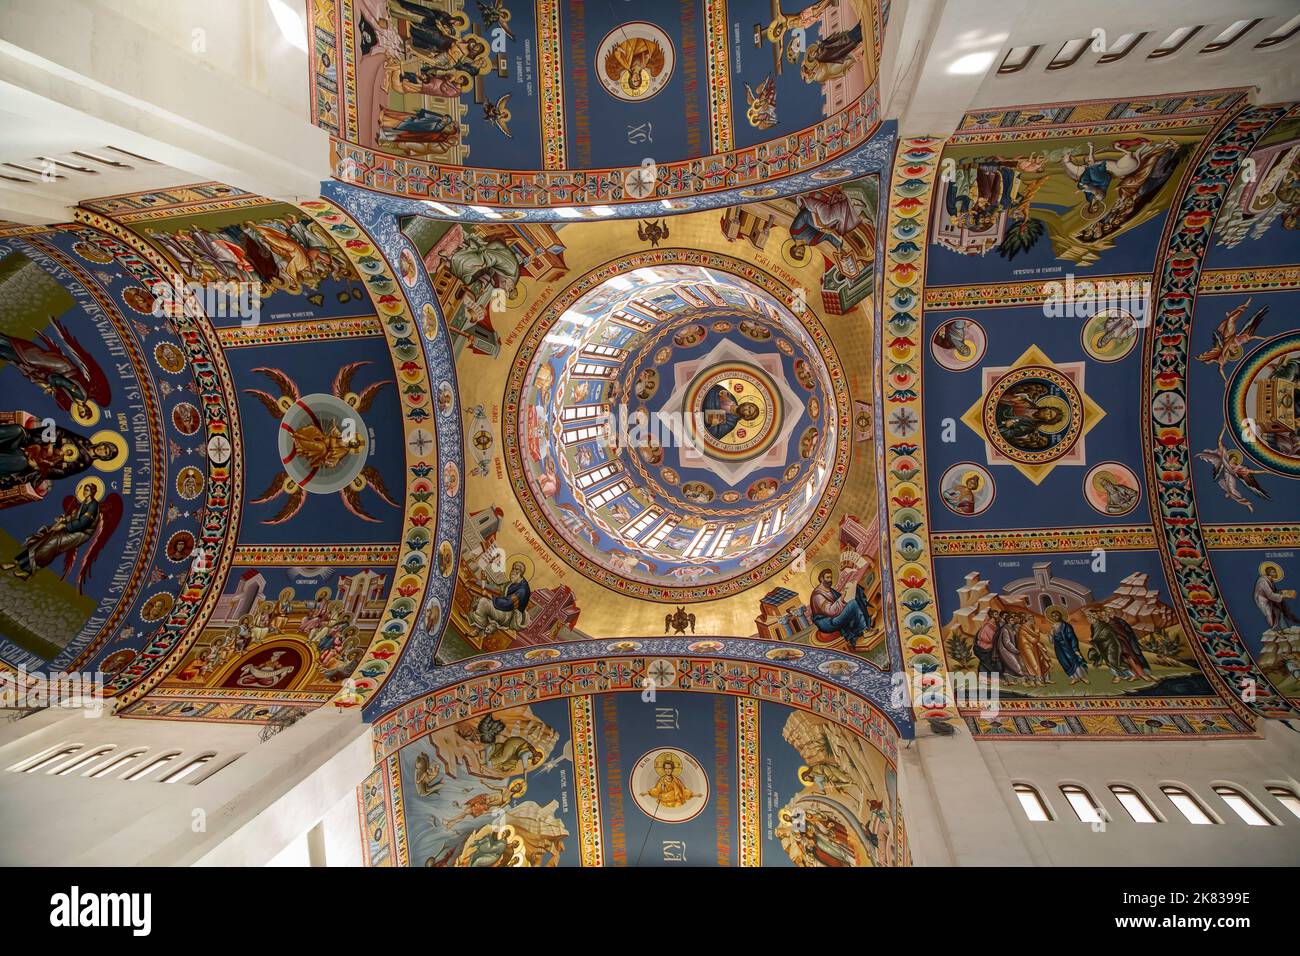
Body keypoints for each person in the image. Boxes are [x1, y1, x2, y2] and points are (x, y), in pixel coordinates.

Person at [810, 567, 874, 643]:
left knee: (856, 592)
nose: (830, 580)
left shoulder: (830, 590)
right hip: (828, 622)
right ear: (821, 579)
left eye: (831, 577)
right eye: (827, 577)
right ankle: (865, 631)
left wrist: (848, 593)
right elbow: (831, 611)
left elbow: (840, 600)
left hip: (835, 616)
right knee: (852, 604)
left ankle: (866, 622)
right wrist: (842, 599)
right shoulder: (817, 596)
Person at [1047, 606, 1089, 685]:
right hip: (1059, 648)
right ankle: (1074, 678)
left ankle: (1082, 677)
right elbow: (1051, 641)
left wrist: (1075, 649)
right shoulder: (1053, 627)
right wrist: (1050, 635)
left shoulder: (1066, 626)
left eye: (1056, 615)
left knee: (1074, 661)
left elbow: (1072, 638)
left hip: (1068, 647)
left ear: (1060, 615)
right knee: (1064, 662)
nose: (1055, 617)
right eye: (1053, 616)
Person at [1255, 563, 1300, 630]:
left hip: (1269, 599)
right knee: (1270, 614)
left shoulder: (1270, 581)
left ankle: (1284, 628)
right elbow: (1270, 595)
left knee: (1279, 611)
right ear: (1269, 573)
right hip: (1263, 601)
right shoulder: (1263, 581)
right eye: (1273, 572)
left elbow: (1274, 592)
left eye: (1275, 571)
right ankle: (1275, 629)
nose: (1276, 573)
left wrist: (1285, 592)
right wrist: (1286, 595)